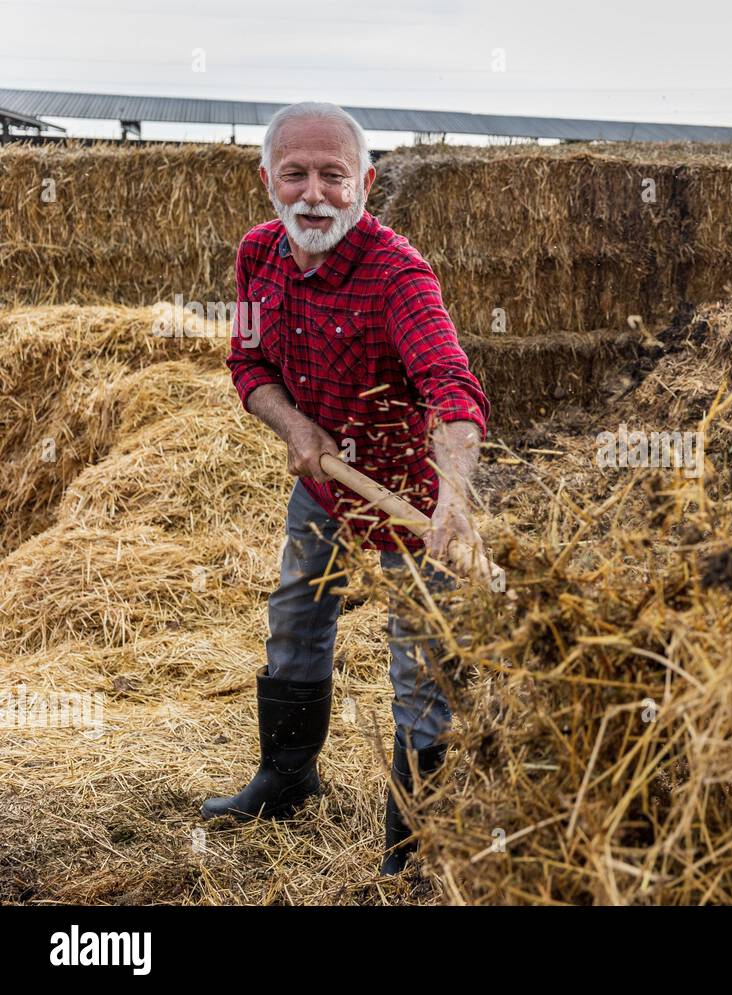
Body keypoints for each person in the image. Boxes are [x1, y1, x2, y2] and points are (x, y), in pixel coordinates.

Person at [202, 102, 488, 877]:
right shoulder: (259, 255)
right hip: (325, 493)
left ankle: (415, 846)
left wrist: (454, 499)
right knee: (295, 619)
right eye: (295, 173)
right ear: (268, 180)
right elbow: (249, 366)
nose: (314, 193)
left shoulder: (397, 274)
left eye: (334, 175)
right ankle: (287, 777)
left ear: (366, 182)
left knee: (420, 667)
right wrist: (296, 428)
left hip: (413, 506)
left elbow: (450, 388)